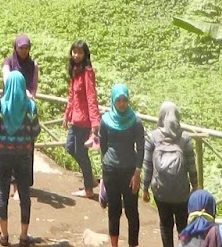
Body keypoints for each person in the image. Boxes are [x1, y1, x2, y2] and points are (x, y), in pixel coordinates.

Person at [0, 67, 40, 246]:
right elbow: (35, 130)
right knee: (25, 195)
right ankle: (24, 236)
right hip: (24, 155)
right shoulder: (30, 106)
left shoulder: (0, 105)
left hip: (3, 154)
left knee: (3, 192)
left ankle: (4, 235)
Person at [142, 101, 199, 247]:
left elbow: (147, 165)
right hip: (181, 192)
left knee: (165, 225)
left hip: (161, 191)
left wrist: (145, 188)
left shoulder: (153, 137)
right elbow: (191, 166)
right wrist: (195, 186)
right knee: (183, 225)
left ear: (160, 117)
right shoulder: (184, 138)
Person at [99, 82, 144, 247]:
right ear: (113, 100)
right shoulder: (105, 120)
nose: (122, 104)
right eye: (118, 100)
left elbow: (140, 147)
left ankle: (133, 244)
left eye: (124, 100)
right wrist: (106, 164)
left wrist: (137, 172)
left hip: (130, 172)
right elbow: (103, 145)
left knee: (132, 211)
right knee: (114, 210)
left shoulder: (135, 122)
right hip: (111, 171)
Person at [63, 40, 100, 200]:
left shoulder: (87, 72)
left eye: (80, 52)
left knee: (81, 153)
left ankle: (88, 189)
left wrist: (95, 123)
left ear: (85, 54)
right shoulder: (75, 71)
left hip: (84, 121)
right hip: (75, 119)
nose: (76, 55)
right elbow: (72, 97)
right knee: (70, 147)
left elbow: (91, 98)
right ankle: (90, 179)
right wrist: (66, 115)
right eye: (74, 52)